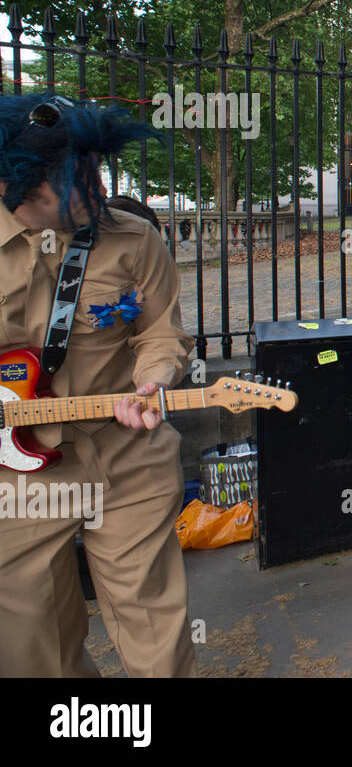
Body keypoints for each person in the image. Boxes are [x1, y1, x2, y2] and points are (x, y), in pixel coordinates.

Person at [0, 94, 197, 677]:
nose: (96, 190)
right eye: (72, 180)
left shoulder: (134, 239)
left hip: (127, 456)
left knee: (154, 631)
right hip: (16, 476)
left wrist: (154, 380)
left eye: (95, 170)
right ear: (18, 185)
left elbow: (163, 334)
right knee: (33, 637)